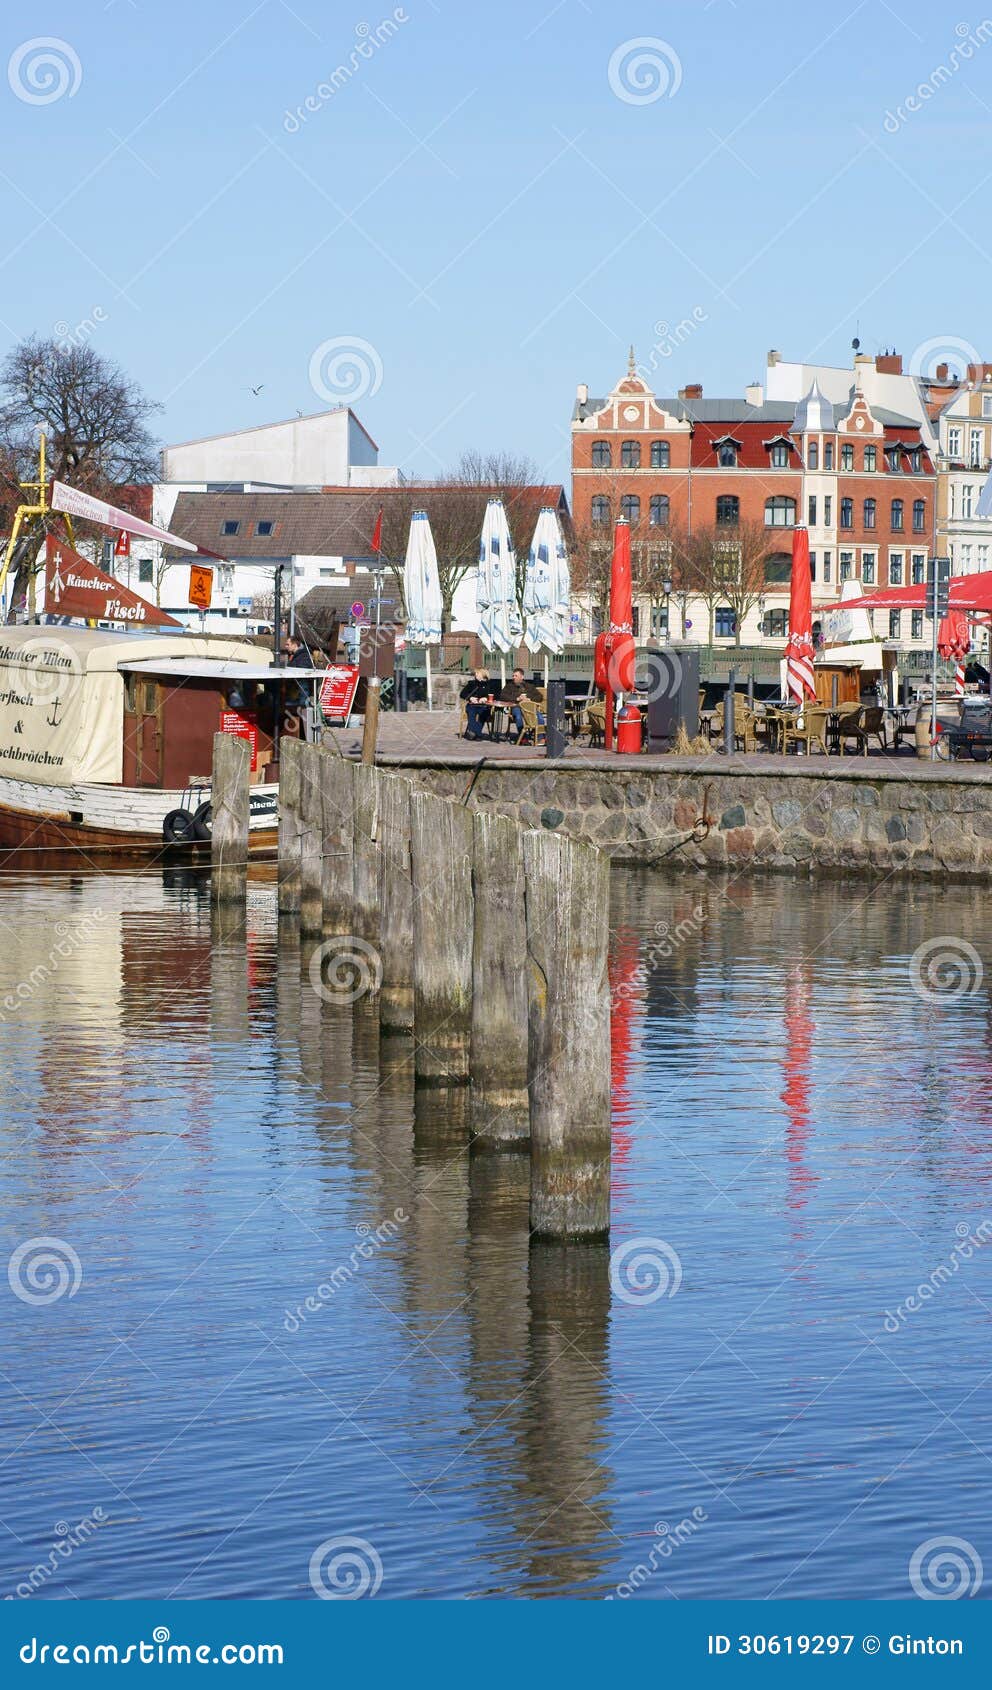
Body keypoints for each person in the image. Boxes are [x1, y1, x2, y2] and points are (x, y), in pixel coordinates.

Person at [500, 667, 544, 736]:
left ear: (522, 677)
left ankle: (540, 738)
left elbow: (539, 697)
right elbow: (502, 696)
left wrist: (529, 699)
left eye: (516, 676)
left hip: (529, 708)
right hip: (516, 707)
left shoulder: (529, 686)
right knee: (518, 716)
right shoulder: (509, 686)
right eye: (513, 676)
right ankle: (522, 737)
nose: (513, 677)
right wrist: (517, 699)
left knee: (540, 718)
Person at [460, 668, 493, 740]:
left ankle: (474, 733)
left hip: (484, 705)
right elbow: (462, 694)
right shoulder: (472, 683)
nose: (475, 675)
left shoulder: (489, 684)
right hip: (472, 705)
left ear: (483, 674)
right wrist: (470, 698)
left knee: (484, 714)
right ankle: (476, 733)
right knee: (471, 713)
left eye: (477, 673)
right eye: (475, 673)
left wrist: (486, 698)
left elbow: (495, 695)